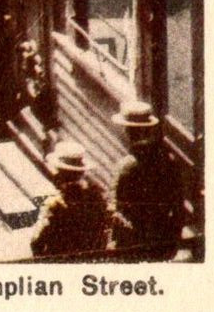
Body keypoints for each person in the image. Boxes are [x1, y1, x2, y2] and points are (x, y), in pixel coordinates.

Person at [109, 100, 186, 261]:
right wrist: (173, 240)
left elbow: (118, 211)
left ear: (128, 131)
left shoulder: (127, 167)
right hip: (163, 242)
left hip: (134, 246)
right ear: (150, 129)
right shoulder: (169, 161)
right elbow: (179, 206)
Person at [30, 140, 108, 261]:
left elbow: (37, 241)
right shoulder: (97, 197)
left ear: (60, 172)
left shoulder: (56, 204)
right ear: (81, 171)